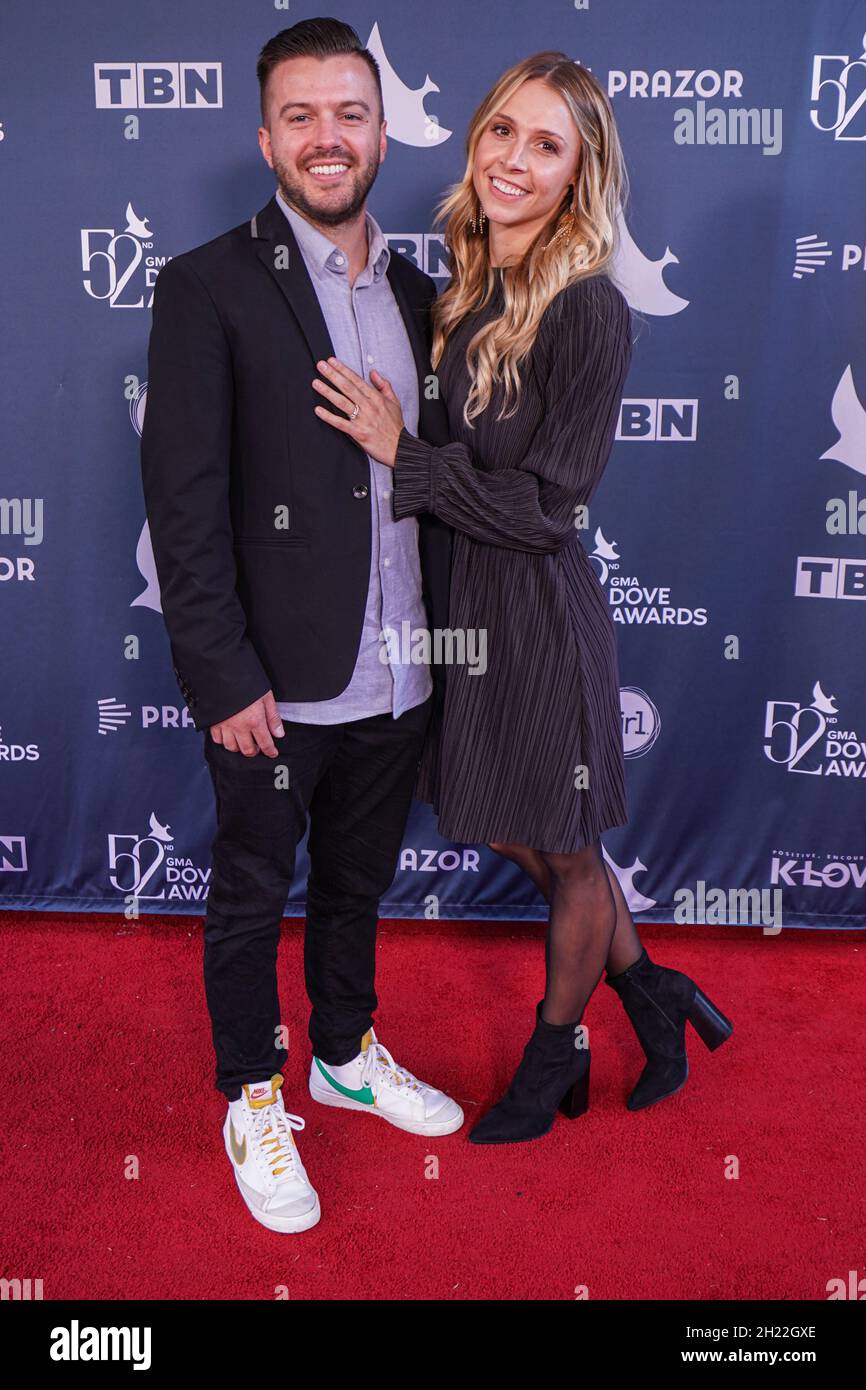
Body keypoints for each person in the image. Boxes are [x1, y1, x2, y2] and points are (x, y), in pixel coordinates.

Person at [313, 50, 733, 1146]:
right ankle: (653, 993)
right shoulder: (461, 274)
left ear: (577, 175)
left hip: (534, 616)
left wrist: (405, 455)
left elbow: (551, 508)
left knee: (567, 851)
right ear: (475, 139)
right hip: (459, 607)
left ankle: (551, 1061)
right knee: (517, 833)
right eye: (503, 130)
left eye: (546, 145)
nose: (513, 159)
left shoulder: (587, 307)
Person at [140, 17, 464, 1236]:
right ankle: (250, 1093)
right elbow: (182, 506)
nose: (328, 138)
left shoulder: (425, 293)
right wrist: (219, 673)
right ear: (265, 136)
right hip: (272, 683)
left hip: (399, 668)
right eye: (301, 116)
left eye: (349, 113)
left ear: (383, 130)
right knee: (248, 893)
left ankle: (342, 1052)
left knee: (356, 883)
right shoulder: (208, 285)